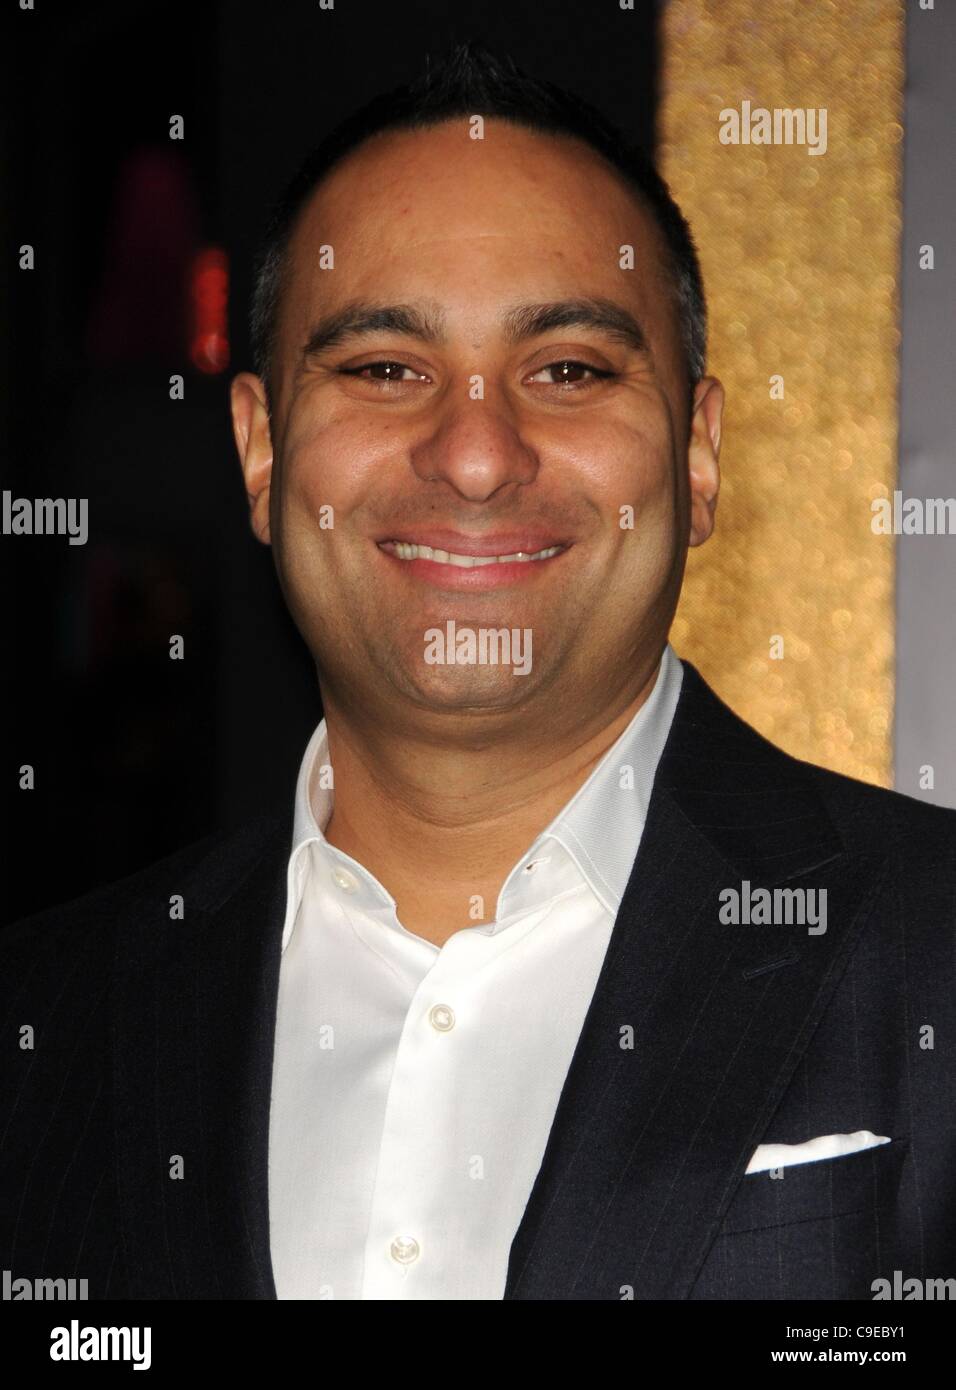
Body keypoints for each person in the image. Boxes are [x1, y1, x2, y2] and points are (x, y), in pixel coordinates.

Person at [2, 43, 954, 1303]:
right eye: (385, 368)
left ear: (700, 454)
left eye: (566, 369)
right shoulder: (49, 1020)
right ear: (261, 453)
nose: (471, 455)